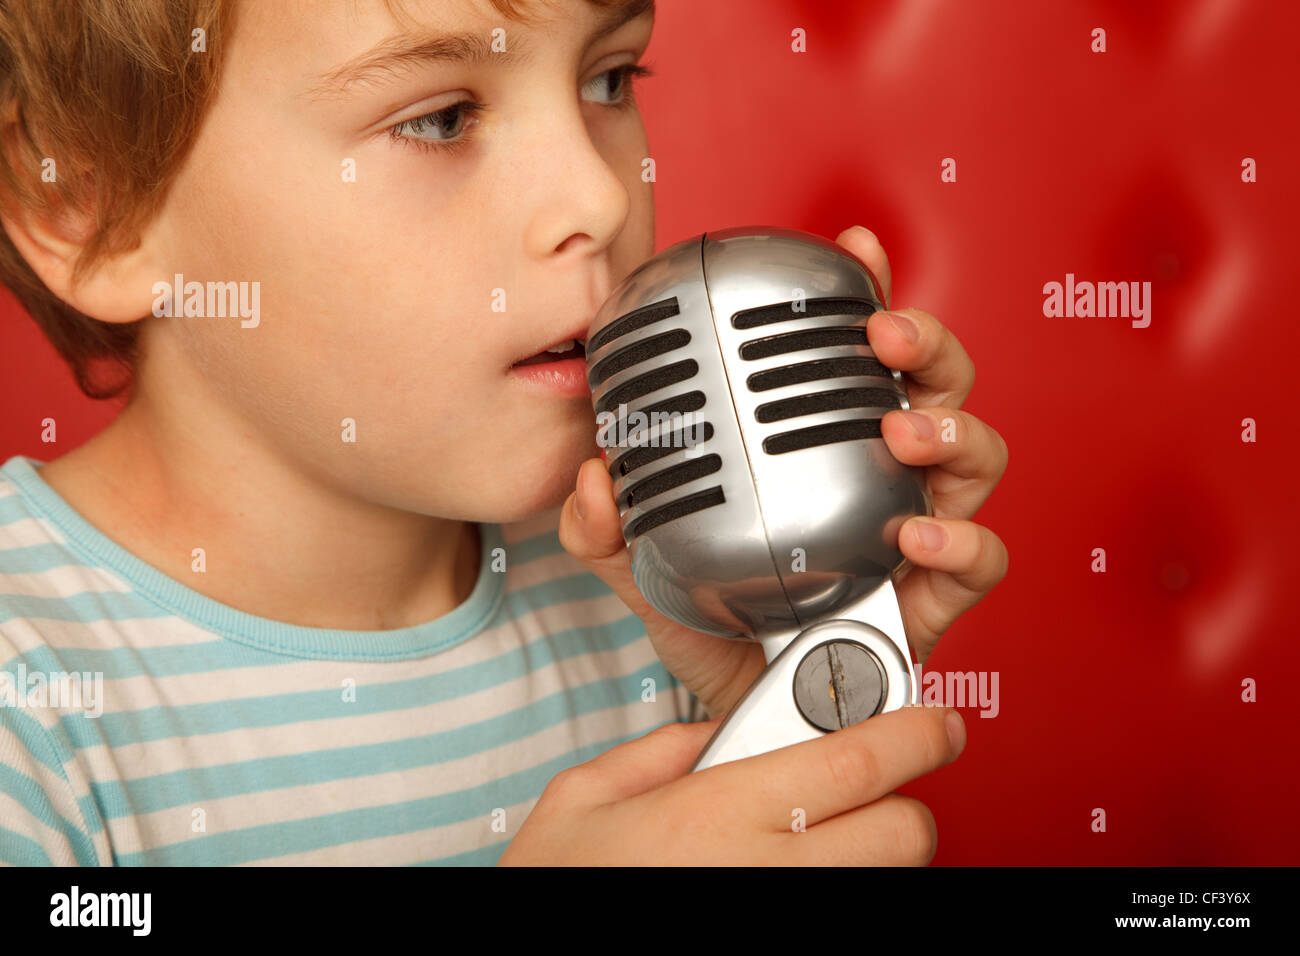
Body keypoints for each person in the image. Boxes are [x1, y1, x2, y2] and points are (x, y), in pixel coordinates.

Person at [0, 0, 1008, 865]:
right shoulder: (30, 707)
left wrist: (807, 663)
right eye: (441, 116)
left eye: (610, 80)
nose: (598, 196)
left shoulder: (648, 585)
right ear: (85, 206)